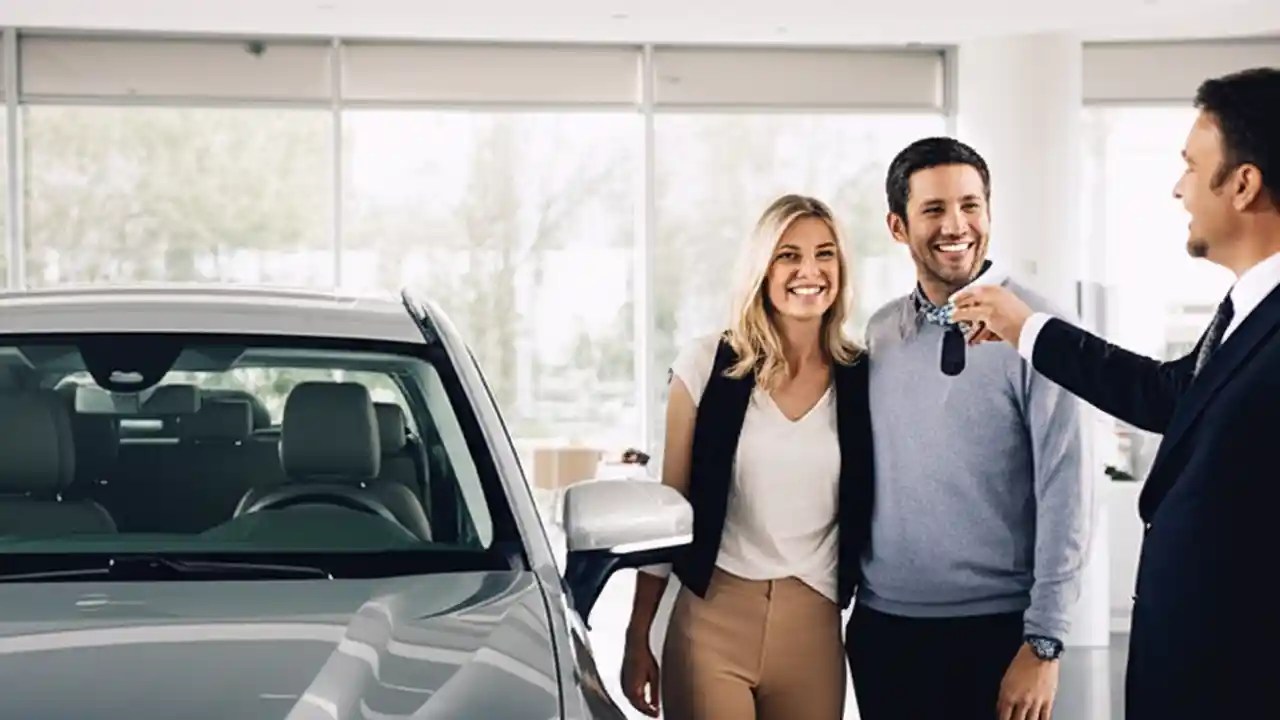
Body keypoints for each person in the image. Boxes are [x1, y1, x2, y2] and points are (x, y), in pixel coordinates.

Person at [952, 67, 1280, 720]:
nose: (1178, 188)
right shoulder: (1246, 308)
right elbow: (1168, 395)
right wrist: (1028, 331)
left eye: (1191, 166)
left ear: (1242, 184)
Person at [847, 137, 1092, 720]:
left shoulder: (1037, 330)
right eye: (933, 209)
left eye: (970, 205)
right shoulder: (881, 333)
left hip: (1000, 632)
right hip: (885, 629)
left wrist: (1045, 641)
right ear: (898, 226)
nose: (956, 225)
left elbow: (1067, 490)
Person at [619, 194, 874, 720]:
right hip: (712, 622)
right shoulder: (707, 364)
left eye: (825, 254)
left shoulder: (863, 376)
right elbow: (671, 509)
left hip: (814, 629)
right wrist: (638, 631)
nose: (810, 270)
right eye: (788, 255)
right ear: (761, 267)